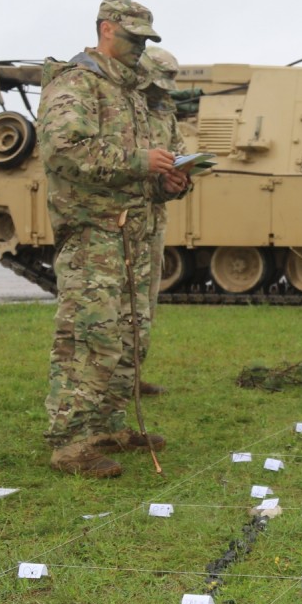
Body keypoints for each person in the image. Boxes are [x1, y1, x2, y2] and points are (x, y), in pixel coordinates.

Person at [38, 0, 189, 478]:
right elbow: (64, 151)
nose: (140, 49)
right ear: (106, 30)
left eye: (146, 41)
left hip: (134, 236)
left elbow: (160, 157)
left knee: (130, 338)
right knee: (90, 338)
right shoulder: (77, 83)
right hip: (93, 236)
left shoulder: (132, 93)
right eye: (133, 39)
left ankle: (107, 426)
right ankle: (69, 441)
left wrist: (171, 182)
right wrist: (138, 162)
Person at [136, 46, 187, 396]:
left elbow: (178, 151)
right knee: (114, 307)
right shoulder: (122, 105)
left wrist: (180, 179)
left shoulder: (164, 111)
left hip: (153, 220)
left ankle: (131, 377)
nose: (162, 89)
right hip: (120, 220)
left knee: (144, 304)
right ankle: (107, 384)